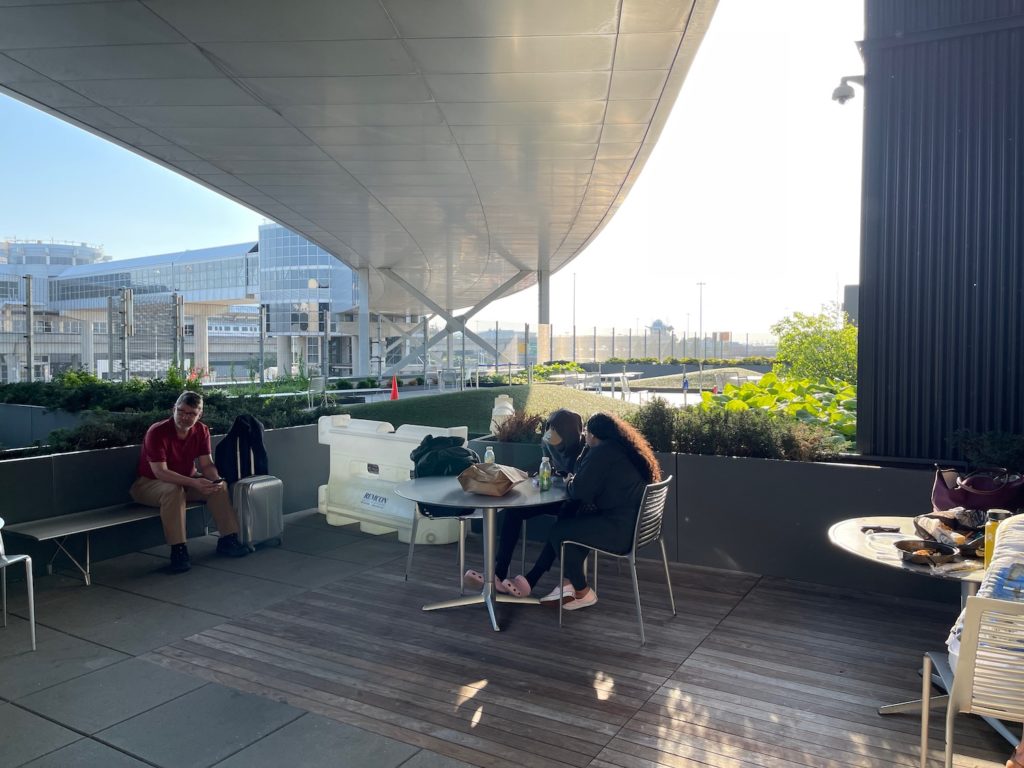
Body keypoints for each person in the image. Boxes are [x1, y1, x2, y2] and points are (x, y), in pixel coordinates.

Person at [513, 412, 660, 609]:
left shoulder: (603, 452)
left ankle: (582, 591)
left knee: (560, 531)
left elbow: (578, 490)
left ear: (592, 435)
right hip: (638, 527)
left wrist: (570, 480)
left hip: (620, 531)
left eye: (586, 432)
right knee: (574, 525)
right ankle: (567, 584)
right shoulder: (623, 449)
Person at [464, 409, 586, 598]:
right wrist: (546, 476)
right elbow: (549, 465)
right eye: (549, 427)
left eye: (556, 429)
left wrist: (567, 480)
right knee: (515, 511)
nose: (550, 432)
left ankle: (531, 579)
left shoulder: (583, 449)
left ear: (569, 432)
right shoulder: (548, 439)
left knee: (564, 521)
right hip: (556, 495)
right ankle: (498, 572)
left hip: (579, 502)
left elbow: (583, 486)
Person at [130, 391, 251, 573]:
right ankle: (178, 550)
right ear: (174, 409)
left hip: (185, 483)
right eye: (181, 412)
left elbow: (206, 464)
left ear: (199, 414)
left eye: (191, 414)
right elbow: (160, 472)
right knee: (173, 491)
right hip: (149, 484)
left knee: (219, 487)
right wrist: (195, 482)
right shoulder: (157, 431)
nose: (185, 417)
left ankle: (228, 539)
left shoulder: (201, 430)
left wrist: (215, 479)